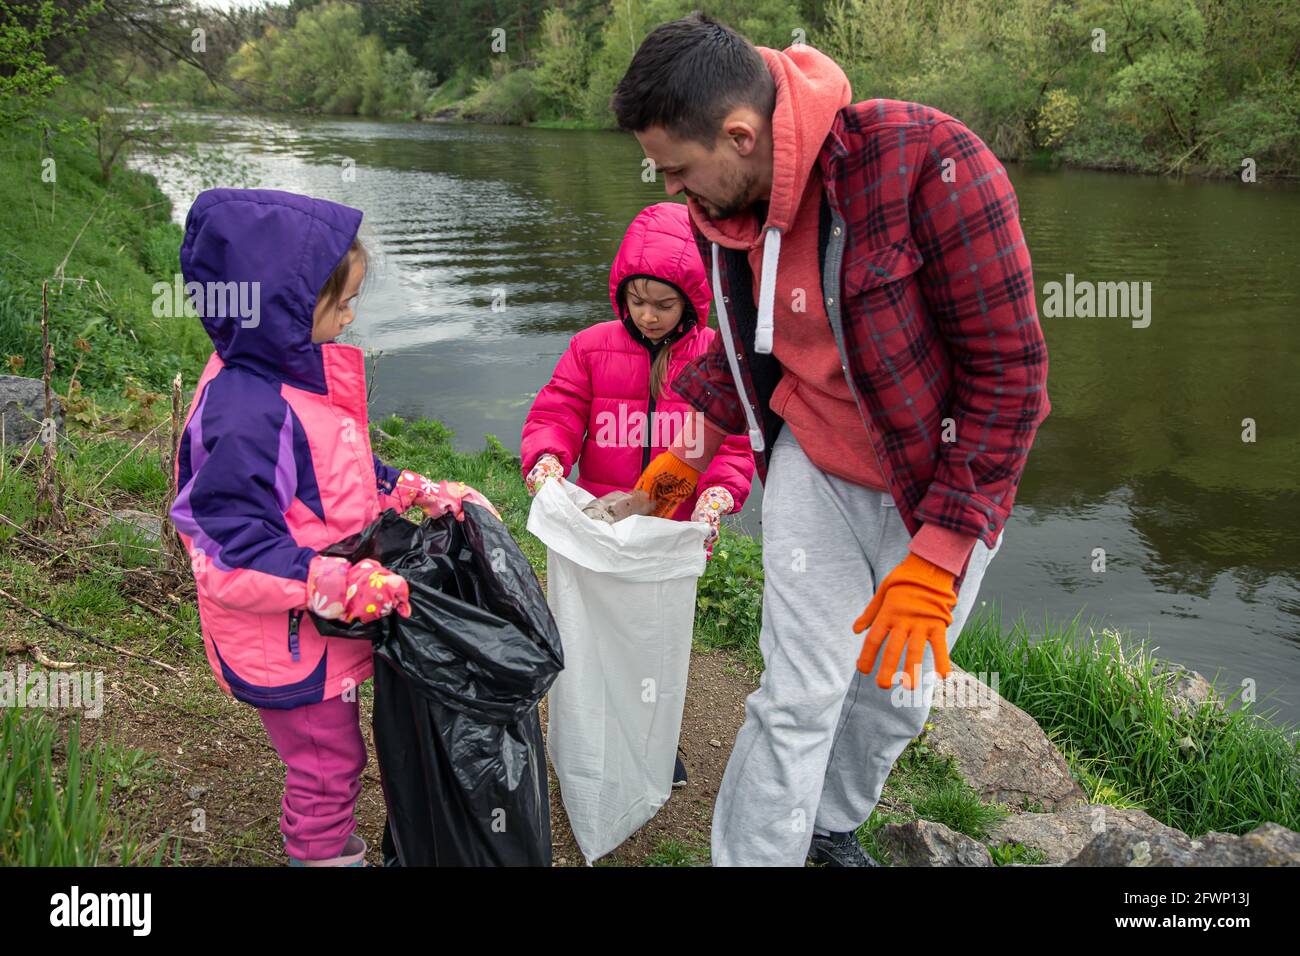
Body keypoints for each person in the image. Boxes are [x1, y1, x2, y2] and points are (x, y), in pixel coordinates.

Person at [615, 15, 1051, 865]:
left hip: (938, 484)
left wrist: (943, 548)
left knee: (897, 697)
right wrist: (681, 459)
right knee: (800, 695)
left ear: (741, 135)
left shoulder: (933, 162)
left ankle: (830, 827)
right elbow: (746, 351)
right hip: (816, 468)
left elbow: (1013, 378)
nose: (674, 192)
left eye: (678, 169)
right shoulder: (725, 205)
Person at [169, 188, 499, 866]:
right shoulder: (243, 415)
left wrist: (412, 489)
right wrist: (338, 584)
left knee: (334, 751)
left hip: (312, 624)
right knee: (329, 761)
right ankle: (321, 857)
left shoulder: (286, 377)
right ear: (283, 306)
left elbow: (338, 468)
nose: (351, 316)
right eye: (341, 301)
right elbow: (229, 556)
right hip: (285, 635)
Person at [520, 200, 757, 786]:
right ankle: (589, 730)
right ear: (619, 293)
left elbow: (731, 447)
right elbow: (559, 411)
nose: (647, 316)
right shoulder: (591, 346)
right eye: (636, 301)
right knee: (593, 630)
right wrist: (548, 461)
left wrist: (717, 498)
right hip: (599, 521)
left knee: (655, 639)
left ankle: (654, 738)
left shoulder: (713, 358)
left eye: (663, 304)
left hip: (669, 531)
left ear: (693, 300)